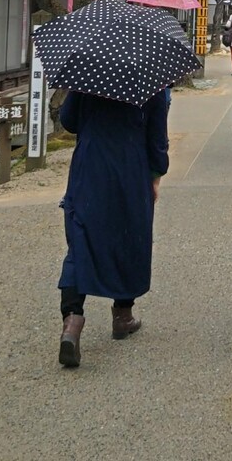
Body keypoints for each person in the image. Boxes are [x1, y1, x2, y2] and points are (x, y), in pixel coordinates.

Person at [55, 87, 170, 369]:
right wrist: (156, 175)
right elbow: (156, 136)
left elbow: (69, 121)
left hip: (89, 164)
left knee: (80, 240)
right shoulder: (150, 82)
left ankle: (72, 320)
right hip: (131, 167)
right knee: (128, 236)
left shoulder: (88, 75)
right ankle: (122, 315)